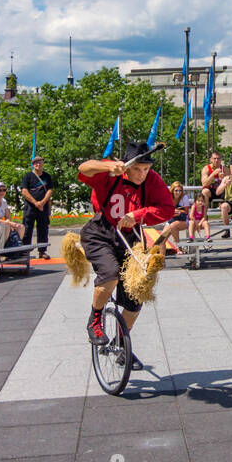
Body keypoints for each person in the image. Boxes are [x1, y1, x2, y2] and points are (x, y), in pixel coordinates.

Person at [78, 141, 174, 356]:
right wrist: (107, 166)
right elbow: (84, 168)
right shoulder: (111, 173)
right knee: (110, 274)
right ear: (128, 166)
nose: (142, 174)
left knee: (136, 297)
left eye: (146, 169)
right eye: (137, 169)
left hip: (130, 239)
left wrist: (138, 215)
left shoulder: (152, 180)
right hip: (101, 233)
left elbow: (167, 209)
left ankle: (121, 342)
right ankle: (95, 319)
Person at [19, 156, 54, 259]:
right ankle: (25, 251)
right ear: (33, 165)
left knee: (43, 229)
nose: (38, 164)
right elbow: (24, 191)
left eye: (40, 162)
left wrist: (42, 203)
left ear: (43, 163)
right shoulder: (28, 176)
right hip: (30, 207)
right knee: (27, 229)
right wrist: (35, 203)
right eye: (35, 163)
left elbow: (50, 190)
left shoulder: (47, 176)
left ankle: (42, 251)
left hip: (43, 208)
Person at [0, 182, 24, 252]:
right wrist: (8, 223)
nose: (2, 192)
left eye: (4, 190)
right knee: (6, 226)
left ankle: (16, 247)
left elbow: (8, 215)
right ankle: (4, 248)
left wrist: (9, 222)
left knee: (20, 227)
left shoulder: (3, 201)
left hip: (1, 222)